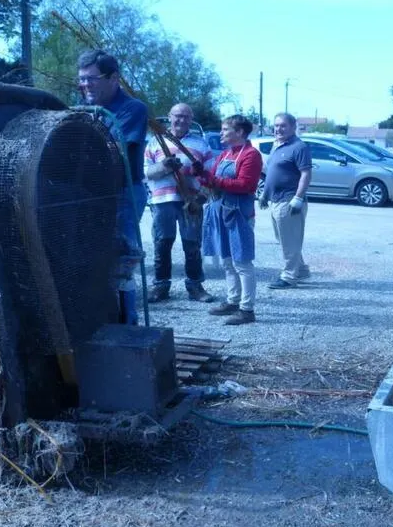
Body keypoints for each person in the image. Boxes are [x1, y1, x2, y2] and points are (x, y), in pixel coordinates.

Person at [78, 50, 148, 324]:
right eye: (82, 79)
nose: (85, 85)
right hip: (91, 193)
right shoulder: (82, 108)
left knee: (121, 258)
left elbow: (115, 153)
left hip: (123, 193)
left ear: (114, 78)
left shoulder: (132, 109)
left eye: (92, 79)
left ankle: (127, 324)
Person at [143, 103, 214, 303]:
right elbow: (146, 172)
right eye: (177, 116)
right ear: (169, 116)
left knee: (192, 244)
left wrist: (202, 196)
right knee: (162, 243)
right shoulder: (155, 142)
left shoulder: (201, 144)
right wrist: (164, 166)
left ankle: (195, 286)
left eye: (186, 116)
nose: (181, 120)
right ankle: (161, 286)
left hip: (190, 201)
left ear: (191, 119)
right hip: (162, 200)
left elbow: (210, 175)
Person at [198, 115, 263, 325]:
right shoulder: (226, 154)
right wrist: (198, 174)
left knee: (242, 262)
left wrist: (213, 180)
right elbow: (211, 180)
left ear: (240, 132)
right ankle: (233, 300)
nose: (221, 133)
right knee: (227, 260)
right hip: (221, 212)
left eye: (225, 129)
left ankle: (247, 309)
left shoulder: (251, 155)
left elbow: (246, 185)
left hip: (239, 215)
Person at [260, 112, 312, 289]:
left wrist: (298, 197)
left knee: (289, 241)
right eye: (276, 126)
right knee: (285, 239)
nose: (279, 129)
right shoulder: (277, 145)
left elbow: (306, 174)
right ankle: (301, 270)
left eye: (283, 126)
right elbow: (271, 173)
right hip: (275, 200)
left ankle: (289, 277)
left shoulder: (299, 147)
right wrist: (265, 194)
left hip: (289, 201)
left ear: (293, 127)